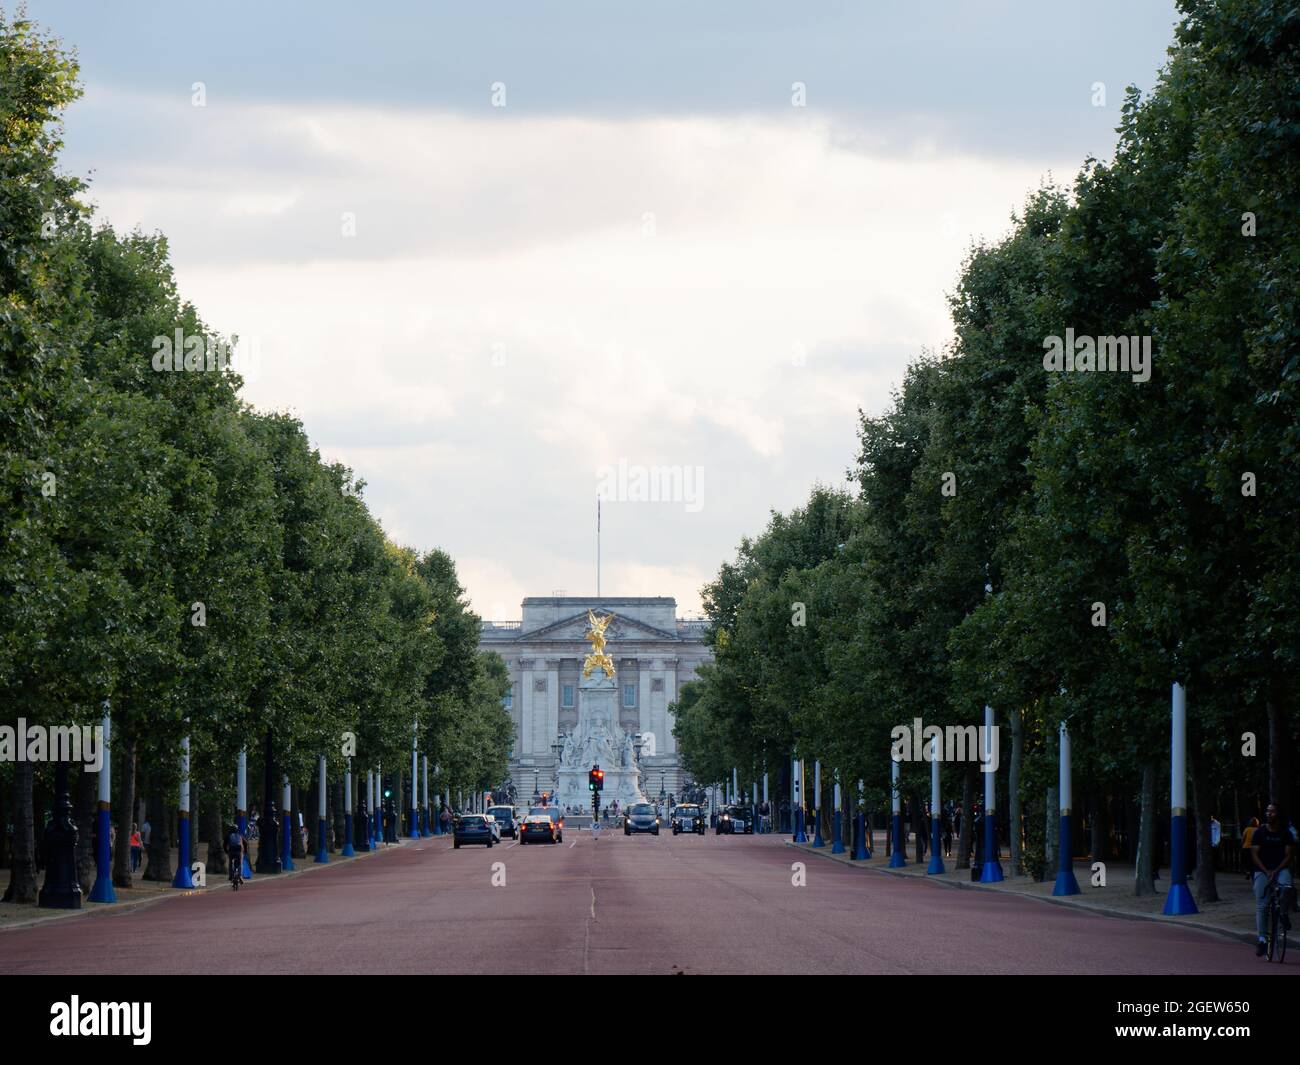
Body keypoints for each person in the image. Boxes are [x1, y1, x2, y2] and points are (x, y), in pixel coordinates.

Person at [1250, 803, 1293, 956]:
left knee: (1287, 887)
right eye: (1267, 811)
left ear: (1278, 815)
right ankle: (1262, 939)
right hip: (1262, 870)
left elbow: (1288, 855)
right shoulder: (1259, 832)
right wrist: (1266, 871)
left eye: (1272, 812)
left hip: (1280, 869)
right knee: (1262, 904)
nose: (1269, 814)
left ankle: (1283, 913)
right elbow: (1254, 853)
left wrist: (1276, 870)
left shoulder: (1285, 833)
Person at [1242, 817, 1260, 881]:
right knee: (1253, 861)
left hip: (1246, 847)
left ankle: (1248, 871)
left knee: (1247, 861)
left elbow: (1243, 838)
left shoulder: (1247, 829)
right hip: (1254, 848)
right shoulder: (1258, 830)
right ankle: (1253, 873)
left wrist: (1242, 844)